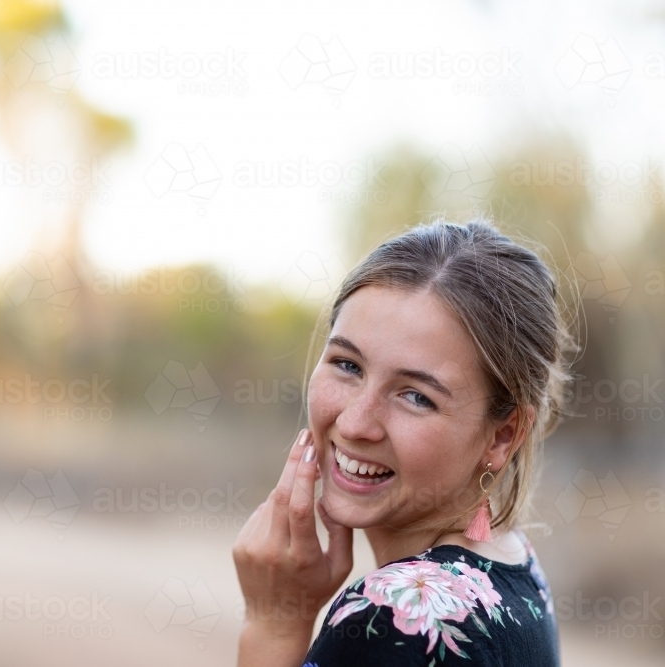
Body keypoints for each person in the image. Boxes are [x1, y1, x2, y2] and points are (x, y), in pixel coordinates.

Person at [232, 219, 575, 666]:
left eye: (416, 396)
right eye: (347, 365)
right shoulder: (511, 563)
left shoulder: (395, 618)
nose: (355, 424)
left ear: (502, 435)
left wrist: (274, 625)